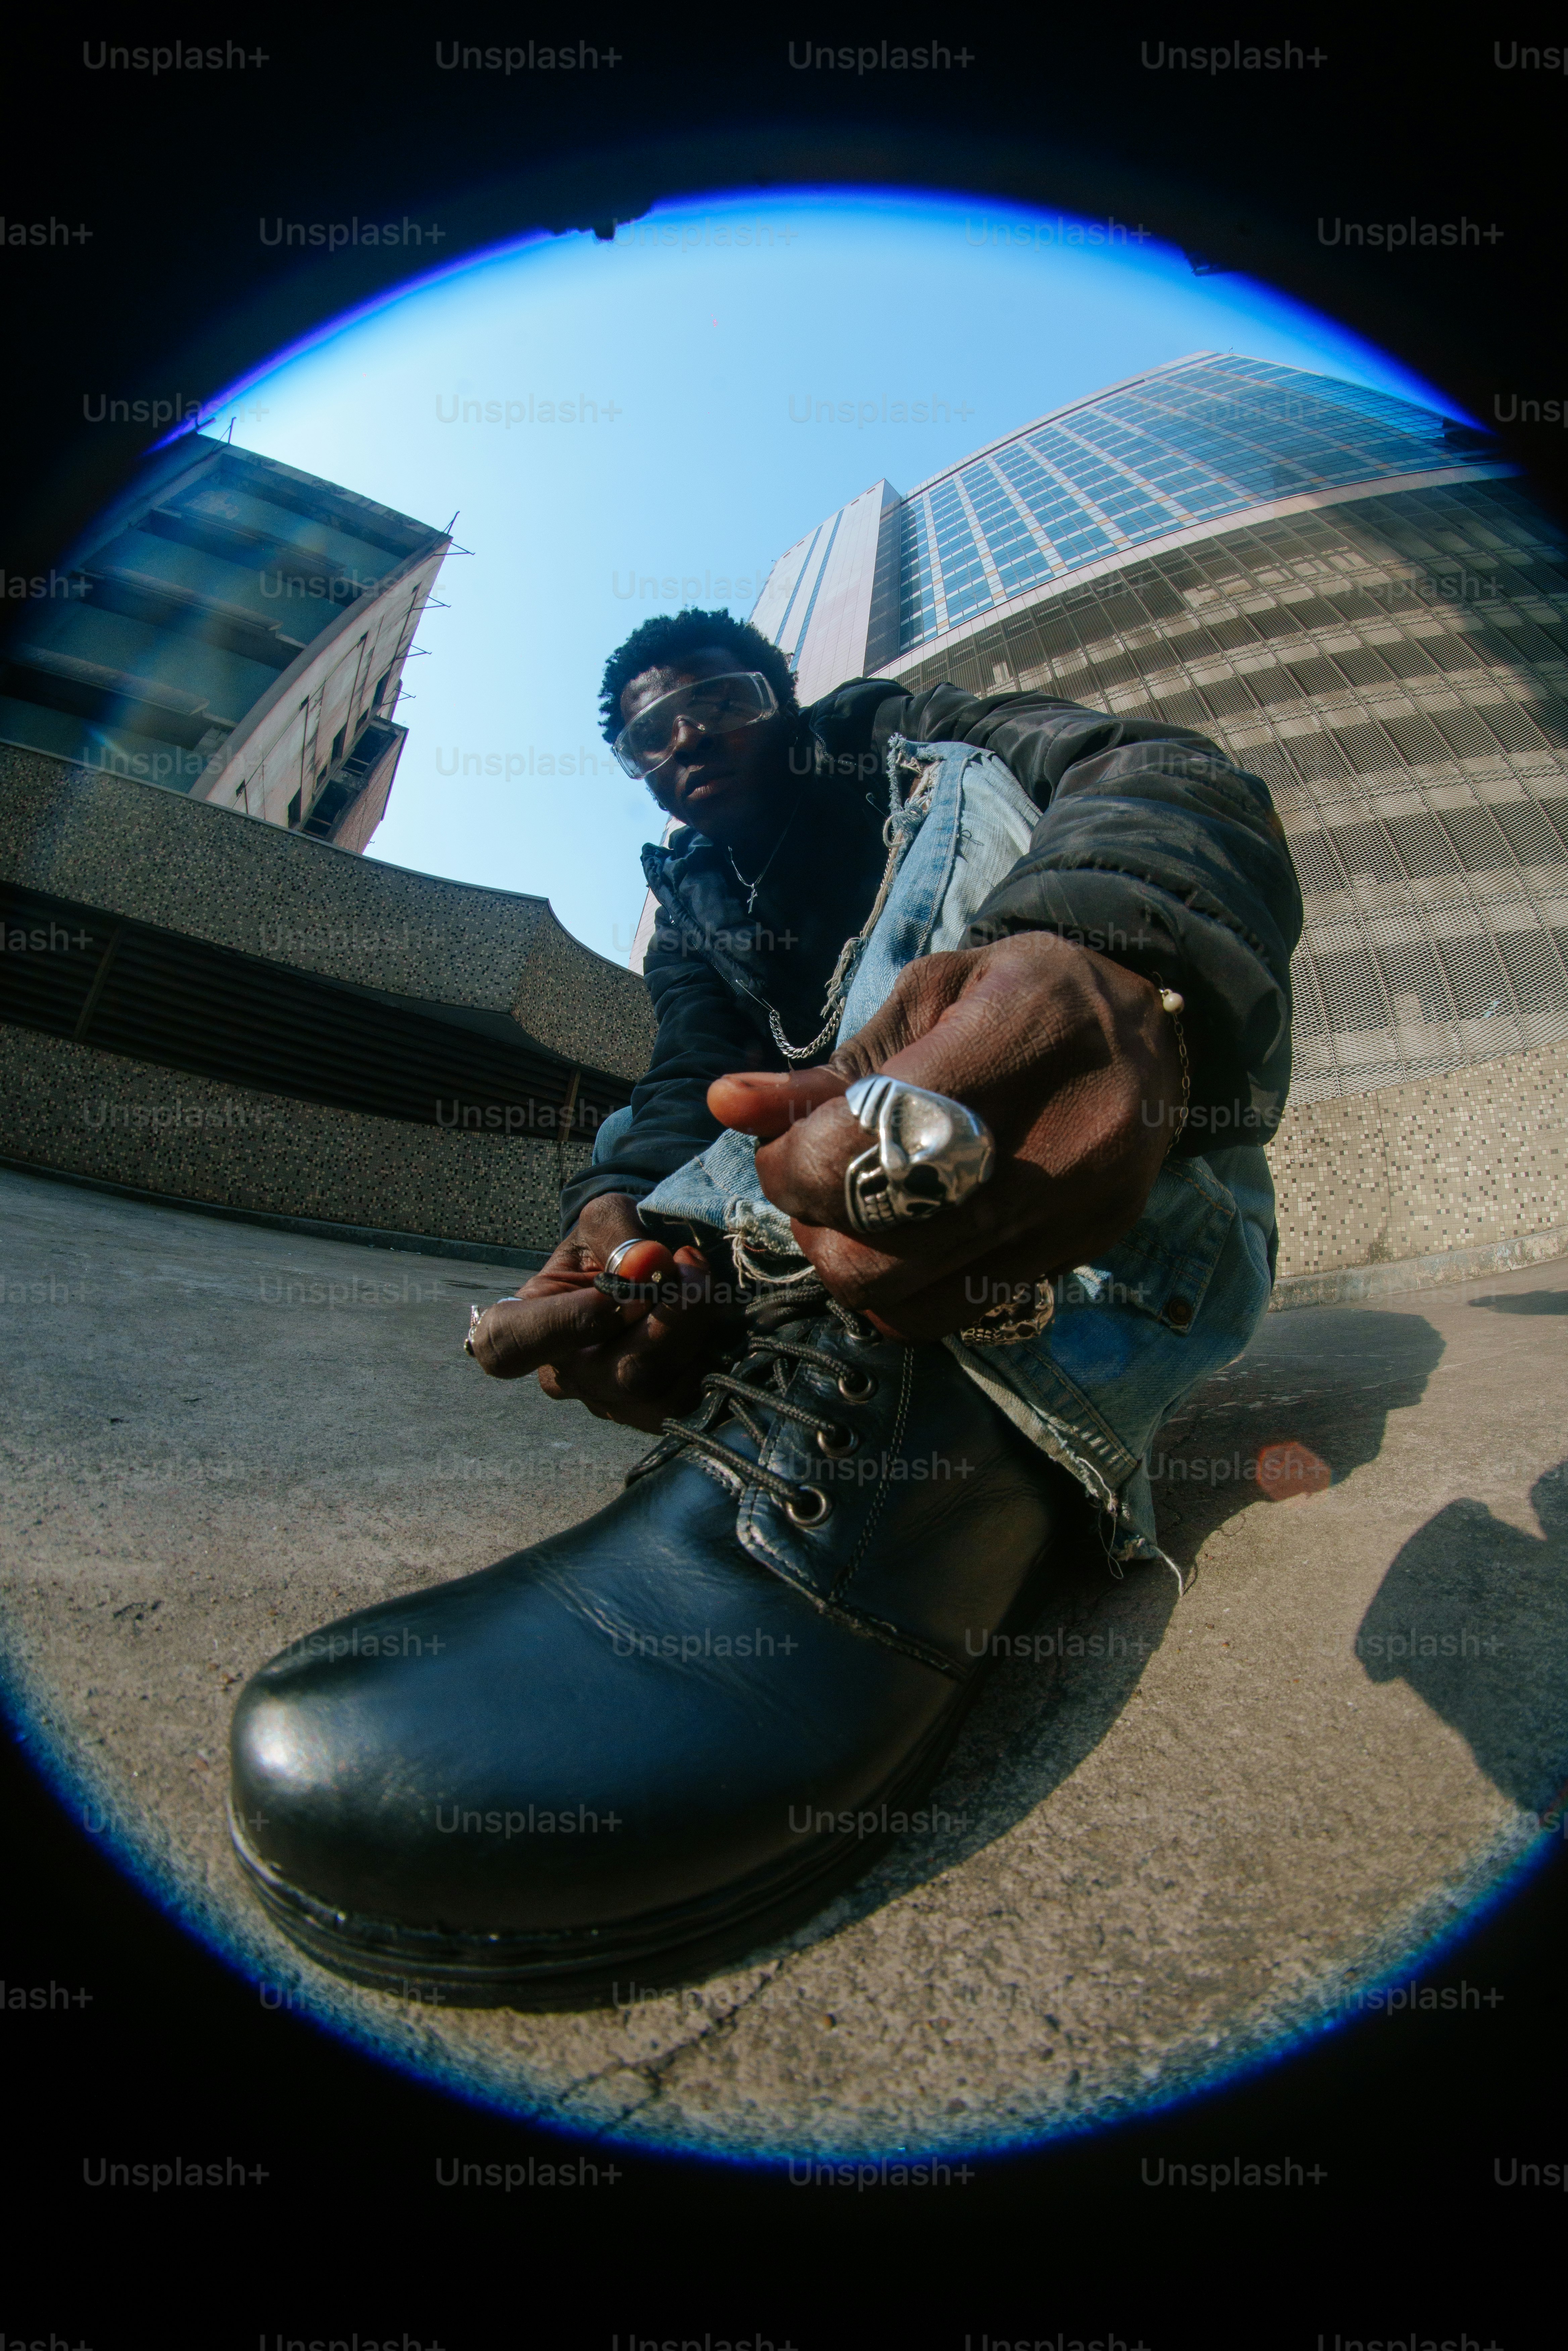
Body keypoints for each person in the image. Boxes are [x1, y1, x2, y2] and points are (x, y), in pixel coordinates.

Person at [229, 606, 1301, 2005]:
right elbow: (689, 1078)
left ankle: (954, 1396)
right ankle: (798, 1321)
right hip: (802, 1225)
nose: (686, 736)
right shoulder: (694, 908)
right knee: (669, 1148)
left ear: (782, 703)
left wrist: (1102, 953)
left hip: (1115, 1215)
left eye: (717, 701)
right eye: (648, 734)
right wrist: (625, 1224)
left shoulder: (908, 738)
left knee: (966, 789)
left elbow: (1164, 773)